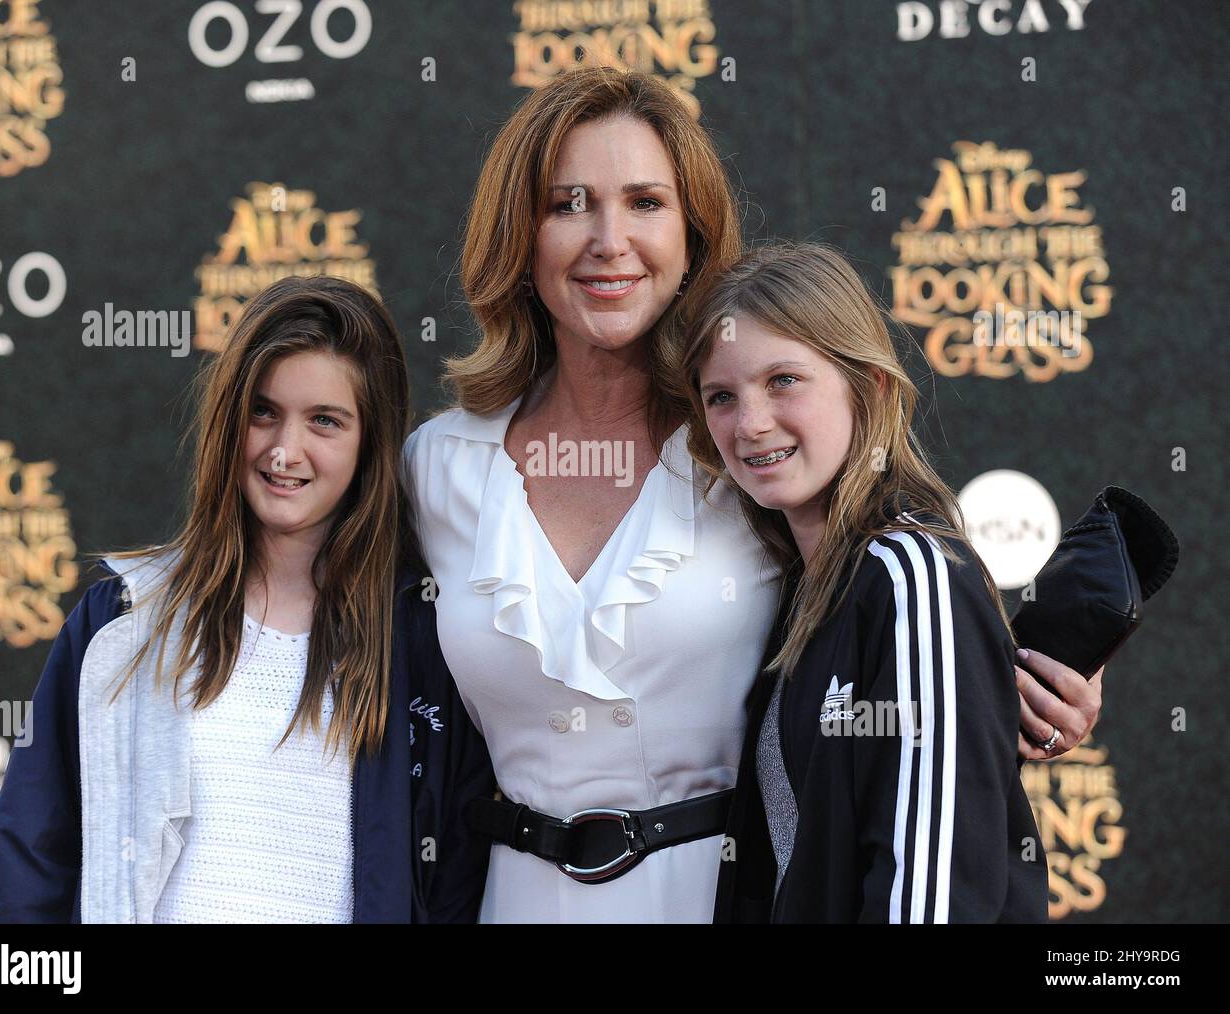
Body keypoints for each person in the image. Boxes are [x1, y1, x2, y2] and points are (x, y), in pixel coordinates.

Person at [404, 66, 1100, 923]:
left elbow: (899, 620)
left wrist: (1024, 680)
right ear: (520, 233)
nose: (609, 239)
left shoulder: (752, 455)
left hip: (731, 897)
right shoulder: (436, 468)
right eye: (569, 202)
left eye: (647, 203)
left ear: (694, 233)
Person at [0, 275, 493, 923]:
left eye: (325, 420)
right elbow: (20, 881)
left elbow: (457, 891)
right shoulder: (122, 621)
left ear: (369, 442)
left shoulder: (425, 646)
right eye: (263, 412)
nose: (284, 450)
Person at [686, 242, 1055, 922]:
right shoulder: (801, 587)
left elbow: (932, 898)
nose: (751, 423)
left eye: (784, 381)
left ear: (870, 385)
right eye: (722, 396)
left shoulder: (912, 575)